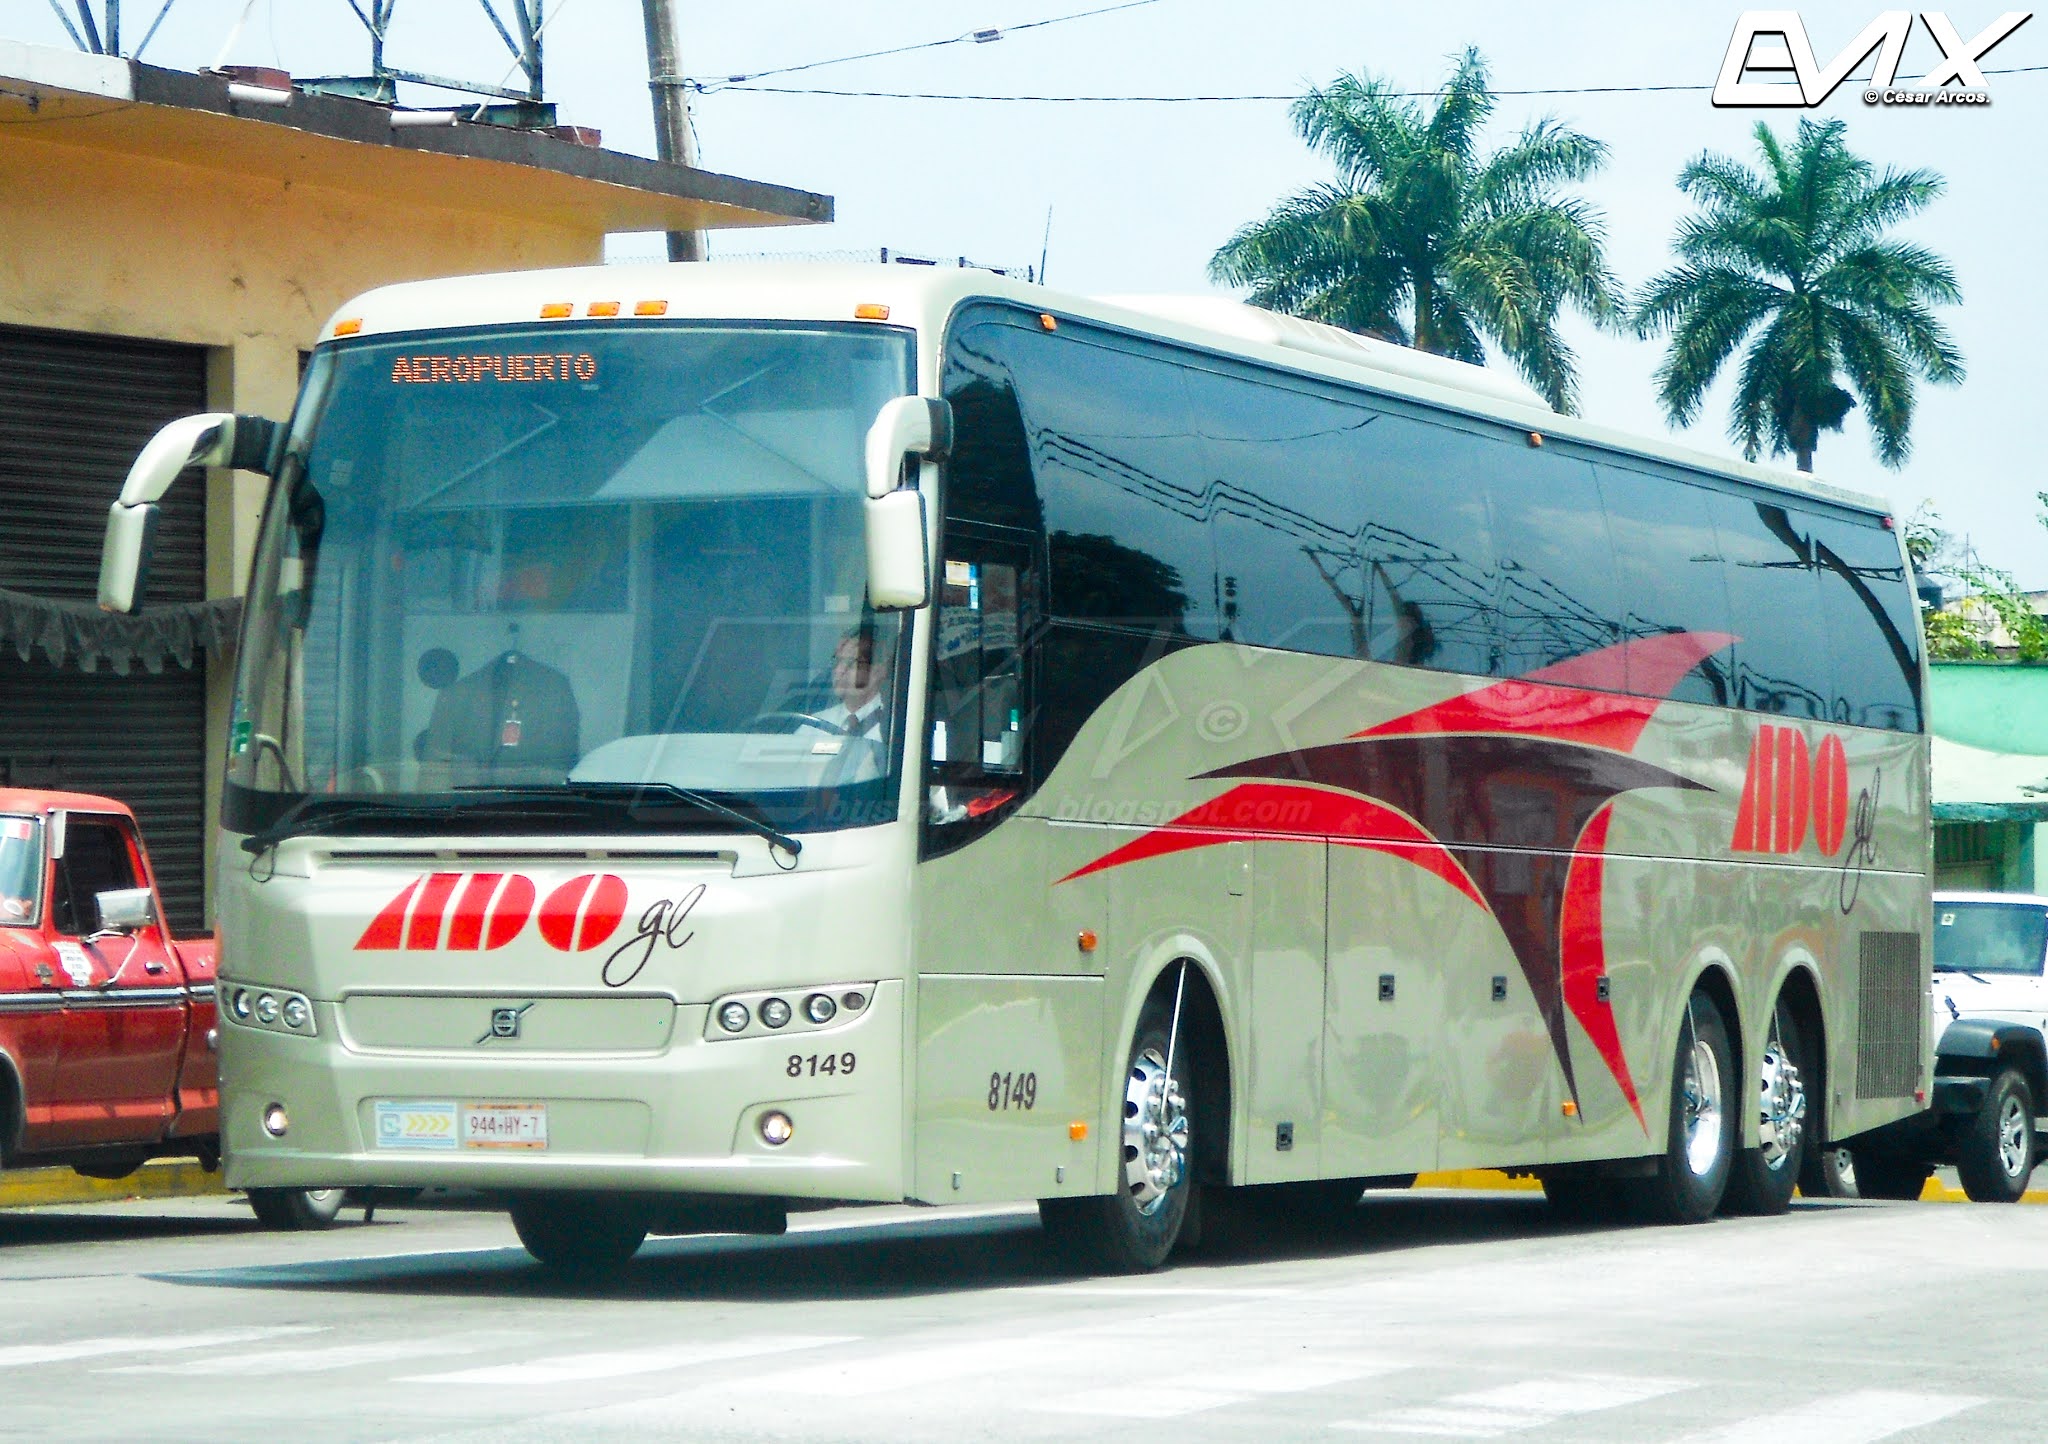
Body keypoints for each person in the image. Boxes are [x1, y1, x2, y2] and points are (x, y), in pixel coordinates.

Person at [802, 625, 891, 785]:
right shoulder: (812, 725)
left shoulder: (894, 729)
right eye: (837, 661)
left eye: (851, 663)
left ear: (879, 670)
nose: (839, 670)